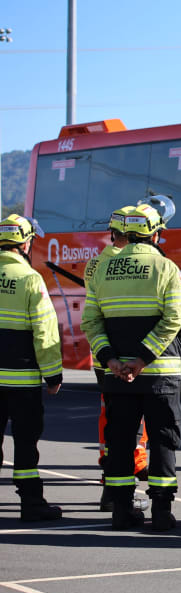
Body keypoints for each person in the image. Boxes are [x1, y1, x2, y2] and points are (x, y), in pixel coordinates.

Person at [81, 198, 181, 531]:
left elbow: (90, 322)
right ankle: (162, 513)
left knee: (121, 443)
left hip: (117, 378)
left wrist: (110, 359)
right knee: (163, 442)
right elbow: (173, 320)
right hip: (160, 376)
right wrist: (142, 359)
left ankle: (121, 511)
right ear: (155, 235)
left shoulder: (103, 269)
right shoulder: (167, 268)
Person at [85, 206, 149, 513]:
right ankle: (122, 483)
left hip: (105, 357)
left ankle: (114, 478)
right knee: (131, 423)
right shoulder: (141, 263)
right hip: (137, 359)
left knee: (112, 421)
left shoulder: (97, 263)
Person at [0, 214, 63, 522]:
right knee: (25, 444)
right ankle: (31, 503)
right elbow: (45, 331)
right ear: (25, 243)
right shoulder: (29, 279)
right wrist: (53, 375)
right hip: (21, 382)